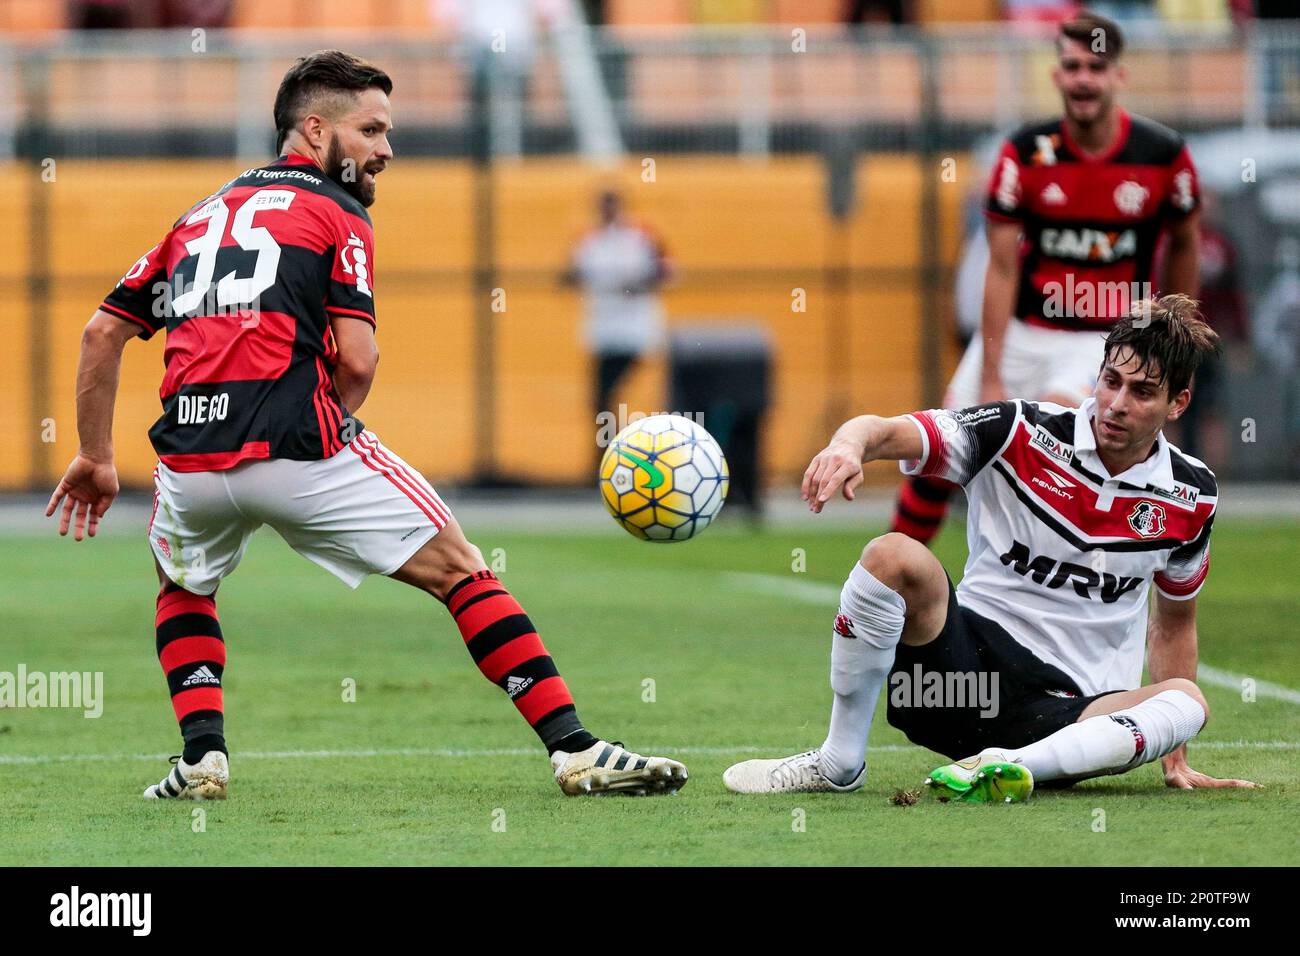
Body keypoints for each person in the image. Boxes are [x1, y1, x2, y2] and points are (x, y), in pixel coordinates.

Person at [45, 50, 687, 801]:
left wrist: (94, 453)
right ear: (315, 131)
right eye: (373, 130)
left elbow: (101, 334)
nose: (387, 149)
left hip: (189, 459)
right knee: (461, 571)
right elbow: (358, 359)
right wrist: (319, 434)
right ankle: (575, 749)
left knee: (183, 587)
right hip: (297, 444)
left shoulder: (196, 218)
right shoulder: (335, 210)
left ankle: (202, 760)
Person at [725, 296, 1257, 800]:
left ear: (1177, 403)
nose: (1115, 404)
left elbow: (1174, 624)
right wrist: (847, 446)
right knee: (892, 555)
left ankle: (1009, 768)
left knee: (1188, 700)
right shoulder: (1018, 431)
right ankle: (838, 763)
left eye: (1141, 392)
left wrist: (1174, 753)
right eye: (1110, 381)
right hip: (957, 681)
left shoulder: (1193, 494)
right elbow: (884, 431)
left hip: (1070, 718)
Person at [891, 11, 1201, 544]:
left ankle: (1044, 586)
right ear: (1056, 75)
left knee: (1054, 432)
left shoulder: (1163, 156)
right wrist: (991, 370)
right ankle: (888, 585)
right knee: (936, 449)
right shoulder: (1025, 154)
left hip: (1105, 340)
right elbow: (1002, 266)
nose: (1083, 78)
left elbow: (1187, 240)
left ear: (1118, 76)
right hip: (1025, 331)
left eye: (1096, 67)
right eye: (1072, 66)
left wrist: (1174, 335)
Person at [564, 189, 673, 456]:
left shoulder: (640, 236)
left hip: (635, 332)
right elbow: (569, 275)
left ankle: (622, 451)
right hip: (604, 333)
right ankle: (609, 453)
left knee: (611, 395)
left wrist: (637, 284)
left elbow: (667, 270)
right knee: (601, 399)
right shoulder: (589, 241)